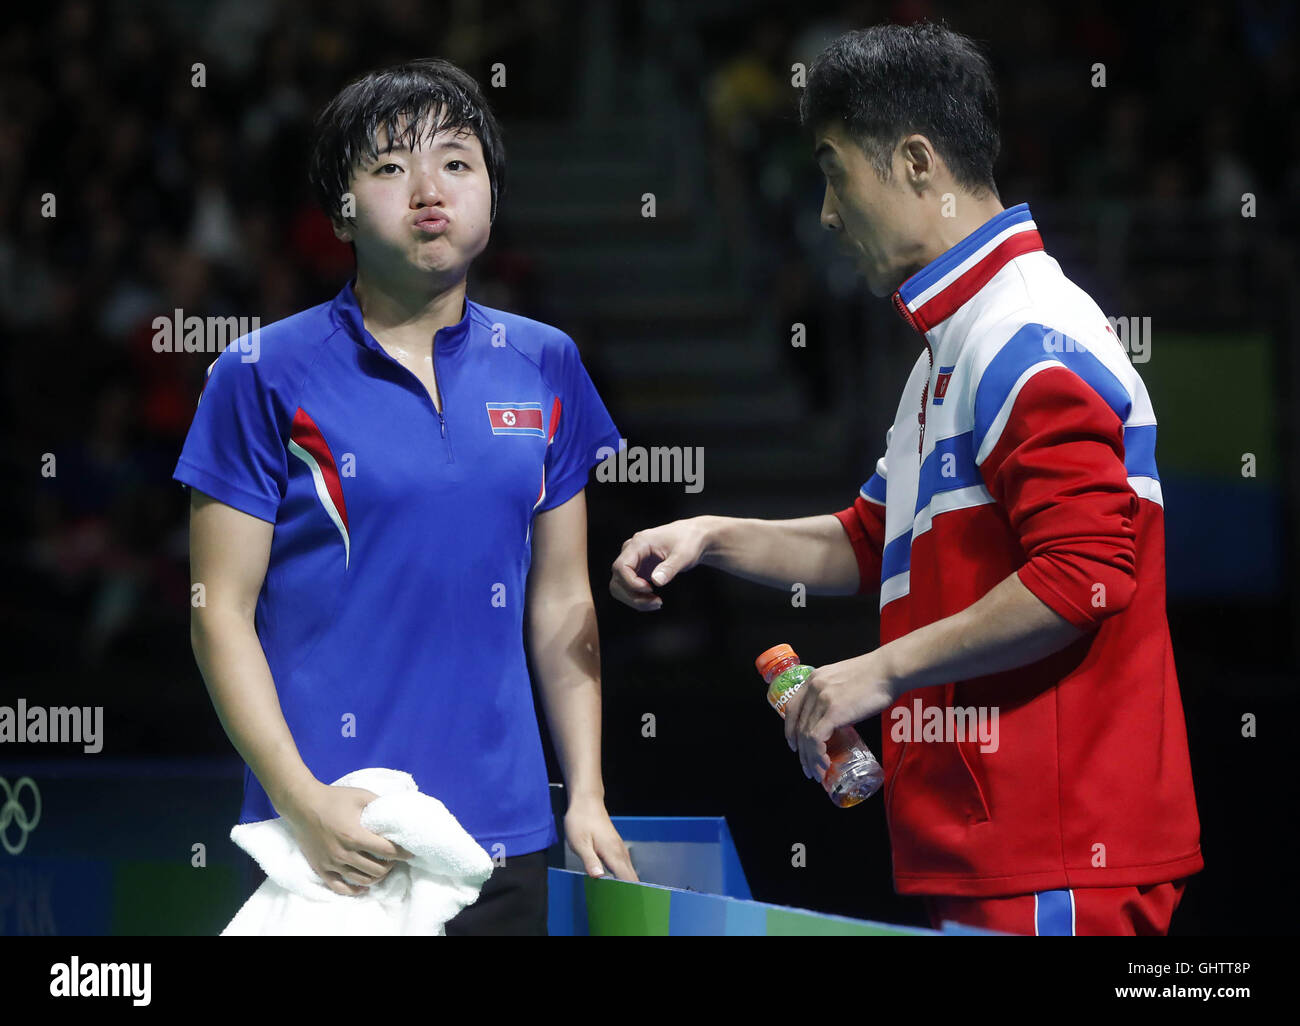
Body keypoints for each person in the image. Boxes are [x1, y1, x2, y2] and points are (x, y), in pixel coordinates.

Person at [610, 22, 1202, 936]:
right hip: (987, 851)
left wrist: (875, 674)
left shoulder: (1029, 340)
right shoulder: (944, 358)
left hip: (1060, 855)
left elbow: (1084, 576)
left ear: (917, 163)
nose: (827, 213)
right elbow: (863, 538)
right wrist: (711, 536)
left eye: (836, 171)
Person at [176, 57, 636, 936]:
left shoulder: (546, 364)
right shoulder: (260, 373)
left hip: (508, 841)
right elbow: (218, 612)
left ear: (491, 195)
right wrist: (301, 800)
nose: (429, 189)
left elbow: (563, 596)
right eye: (389, 167)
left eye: (458, 163)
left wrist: (586, 794)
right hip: (335, 845)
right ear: (340, 208)